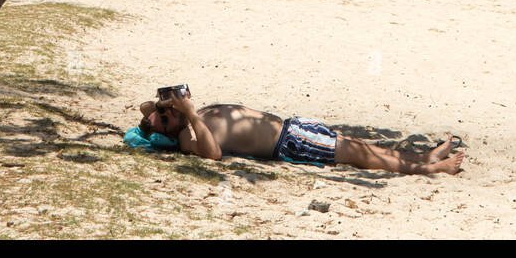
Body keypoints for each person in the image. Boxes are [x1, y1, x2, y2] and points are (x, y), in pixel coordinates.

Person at [136, 89, 465, 175]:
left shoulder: (184, 119)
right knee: (364, 157)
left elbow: (142, 108)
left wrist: (163, 104)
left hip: (293, 127)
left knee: (361, 145)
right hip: (289, 143)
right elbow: (213, 154)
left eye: (163, 113)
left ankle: (423, 156)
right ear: (167, 133)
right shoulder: (187, 136)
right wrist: (189, 114)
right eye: (163, 119)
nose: (165, 115)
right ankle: (434, 168)